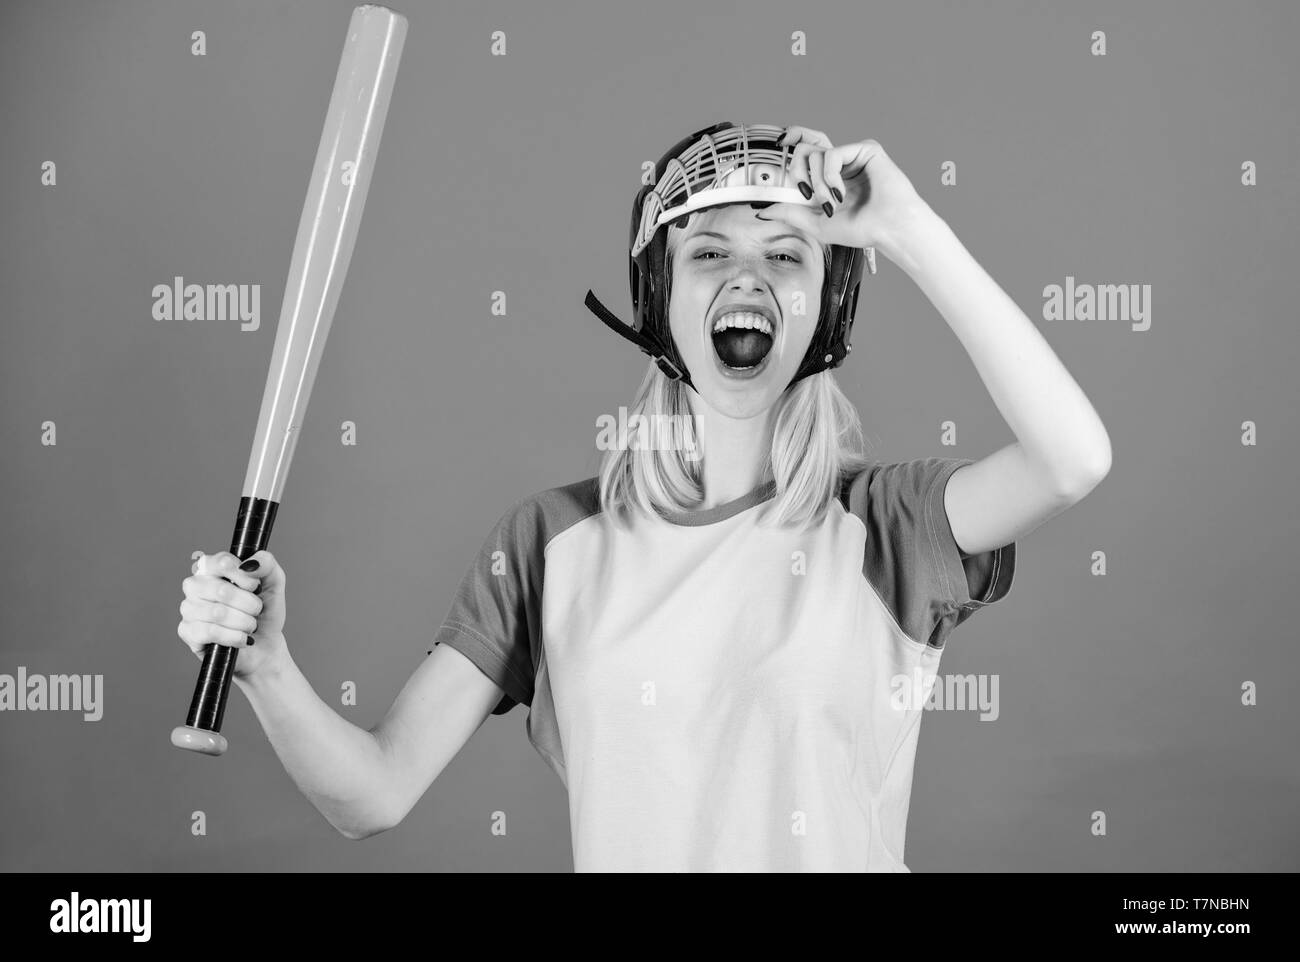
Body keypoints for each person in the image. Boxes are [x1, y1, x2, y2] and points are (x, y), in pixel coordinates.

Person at [178, 122, 1111, 871]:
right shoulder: (550, 543)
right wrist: (267, 668)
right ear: (660, 295)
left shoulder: (889, 525)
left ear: (826, 310)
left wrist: (908, 232)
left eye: (788, 256)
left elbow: (1072, 458)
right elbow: (372, 797)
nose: (748, 276)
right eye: (709, 252)